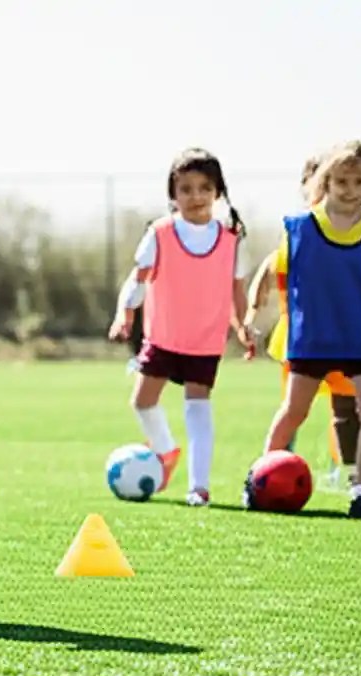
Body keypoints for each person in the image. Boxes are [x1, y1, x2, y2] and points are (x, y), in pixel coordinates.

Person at [260, 140, 361, 520]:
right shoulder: (299, 229)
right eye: (341, 180)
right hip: (315, 337)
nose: (350, 189)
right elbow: (276, 273)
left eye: (360, 182)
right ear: (326, 180)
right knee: (294, 410)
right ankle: (260, 478)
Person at [110, 148, 253, 507]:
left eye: (204, 187)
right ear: (173, 194)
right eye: (185, 188)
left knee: (198, 407)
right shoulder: (160, 233)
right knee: (142, 402)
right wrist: (124, 314)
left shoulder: (231, 238)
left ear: (218, 192)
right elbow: (138, 278)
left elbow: (237, 289)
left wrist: (243, 325)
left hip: (205, 340)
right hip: (163, 336)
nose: (195, 196)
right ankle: (165, 450)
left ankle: (198, 486)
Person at [245, 152, 361, 487]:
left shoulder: (355, 230)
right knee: (294, 408)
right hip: (298, 338)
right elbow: (270, 267)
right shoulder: (299, 230)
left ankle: (351, 474)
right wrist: (253, 310)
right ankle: (270, 470)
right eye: (323, 184)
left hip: (344, 338)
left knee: (346, 406)